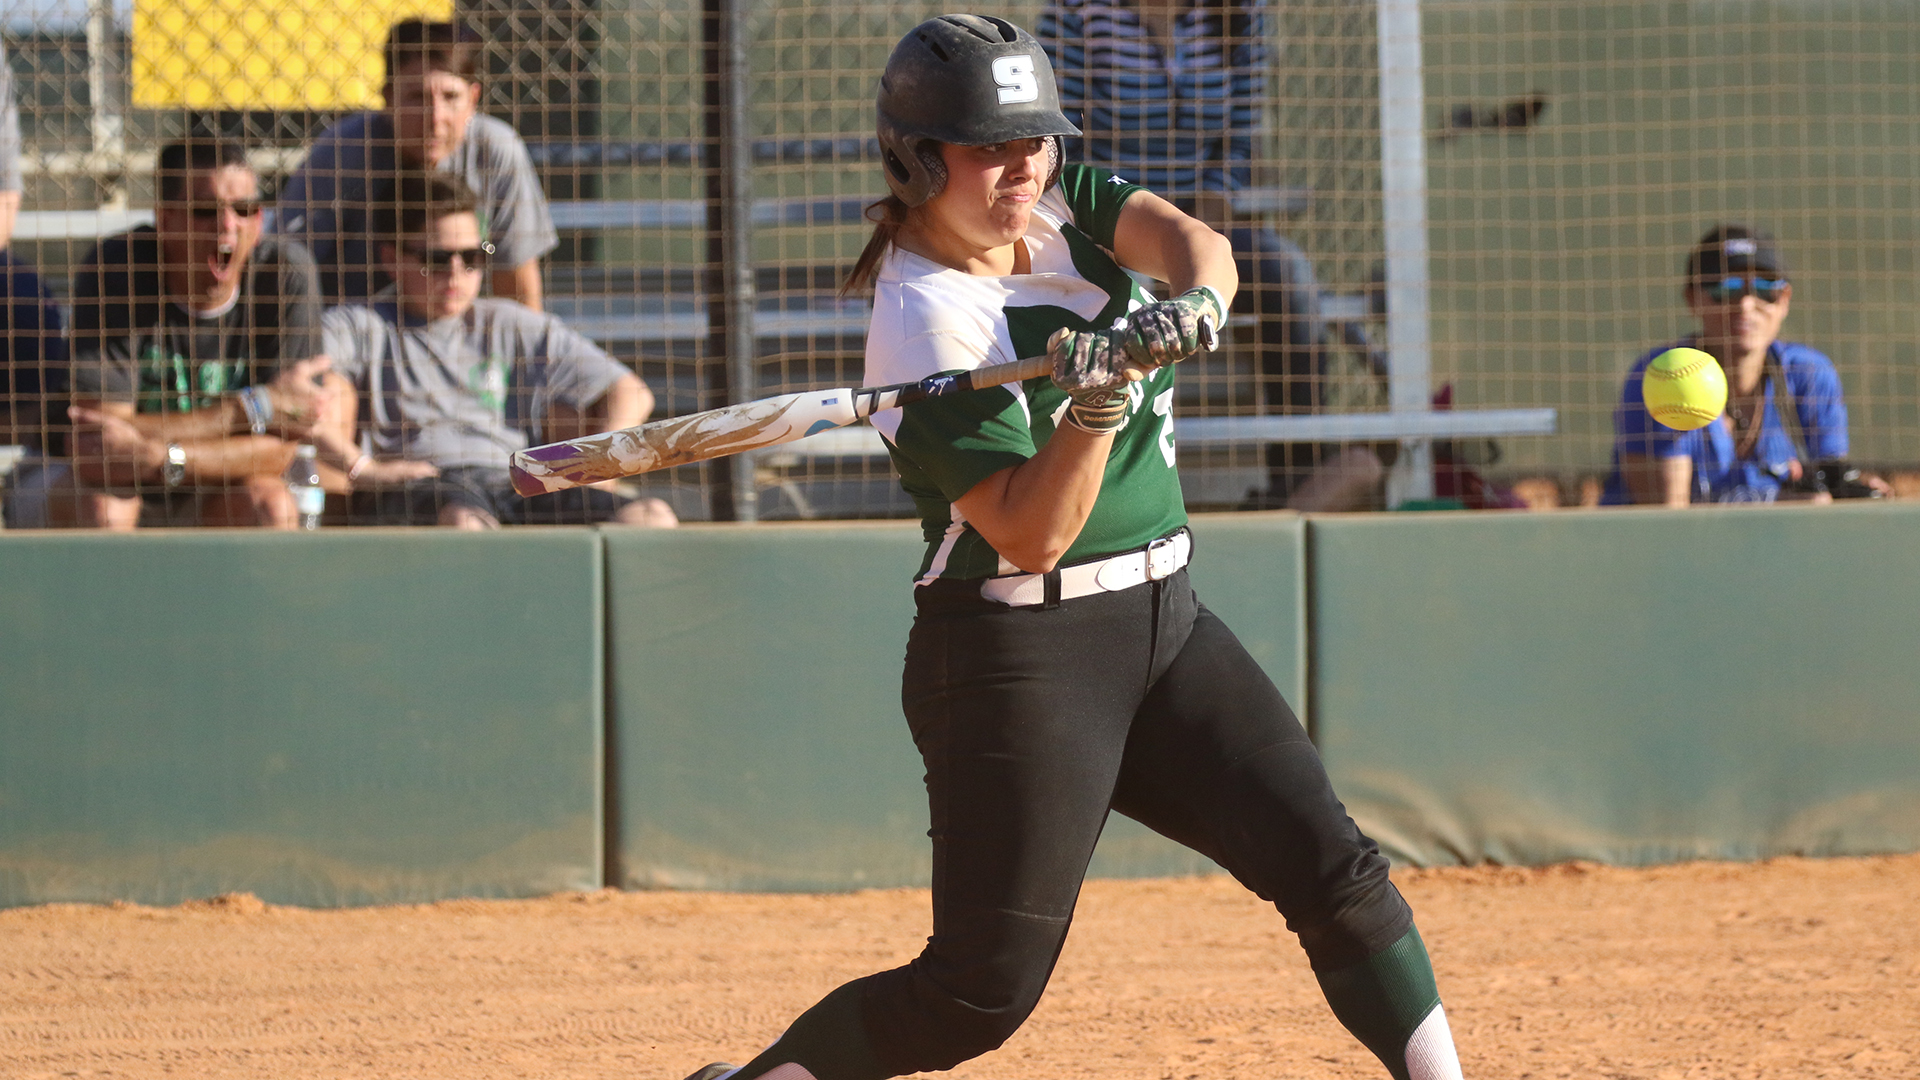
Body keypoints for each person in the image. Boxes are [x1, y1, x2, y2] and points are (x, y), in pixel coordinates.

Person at [676, 17, 1462, 1080]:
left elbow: (1204, 248)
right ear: (915, 159)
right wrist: (1094, 408)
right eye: (989, 146)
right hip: (1016, 659)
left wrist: (1194, 309)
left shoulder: (1061, 203)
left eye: (1034, 139)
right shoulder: (923, 326)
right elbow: (1033, 535)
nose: (1022, 165)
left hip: (1168, 621)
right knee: (975, 995)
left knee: (1333, 867)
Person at [1036, 0, 1376, 510]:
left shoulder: (1240, 12)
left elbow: (1241, 127)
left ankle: (1297, 475)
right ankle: (1101, 485)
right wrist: (1109, 220)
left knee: (1288, 275)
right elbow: (1063, 131)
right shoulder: (1077, 11)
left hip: (1204, 215)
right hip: (1108, 217)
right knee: (1118, 303)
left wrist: (1213, 202)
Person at [320, 172, 674, 528]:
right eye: (437, 258)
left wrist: (600, 470)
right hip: (422, 484)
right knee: (466, 523)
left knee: (650, 517)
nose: (457, 273)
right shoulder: (358, 326)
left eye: (472, 256)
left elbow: (631, 392)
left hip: (518, 480)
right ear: (391, 259)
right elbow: (299, 397)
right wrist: (364, 469)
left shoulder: (509, 322)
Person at [59, 138, 375, 529]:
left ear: (259, 222)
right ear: (166, 220)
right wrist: (253, 409)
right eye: (206, 211)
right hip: (113, 481)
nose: (227, 225)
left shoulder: (284, 274)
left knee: (271, 505)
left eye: (244, 210)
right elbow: (98, 442)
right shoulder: (118, 267)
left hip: (215, 482)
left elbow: (280, 449)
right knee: (105, 509)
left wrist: (166, 458)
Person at [272, 17, 557, 309]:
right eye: (417, 97)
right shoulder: (342, 152)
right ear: (388, 99)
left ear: (473, 99)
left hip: (457, 333)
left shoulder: (496, 151)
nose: (434, 119)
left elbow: (517, 277)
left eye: (450, 97)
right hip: (353, 329)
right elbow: (285, 264)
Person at [1602, 224, 1883, 505]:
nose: (1746, 304)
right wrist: (1781, 513)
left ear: (1784, 299)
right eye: (1726, 287)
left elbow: (1828, 492)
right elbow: (1669, 527)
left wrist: (1845, 499)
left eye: (1764, 287)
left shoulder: (1810, 374)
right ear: (1692, 299)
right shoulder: (1662, 377)